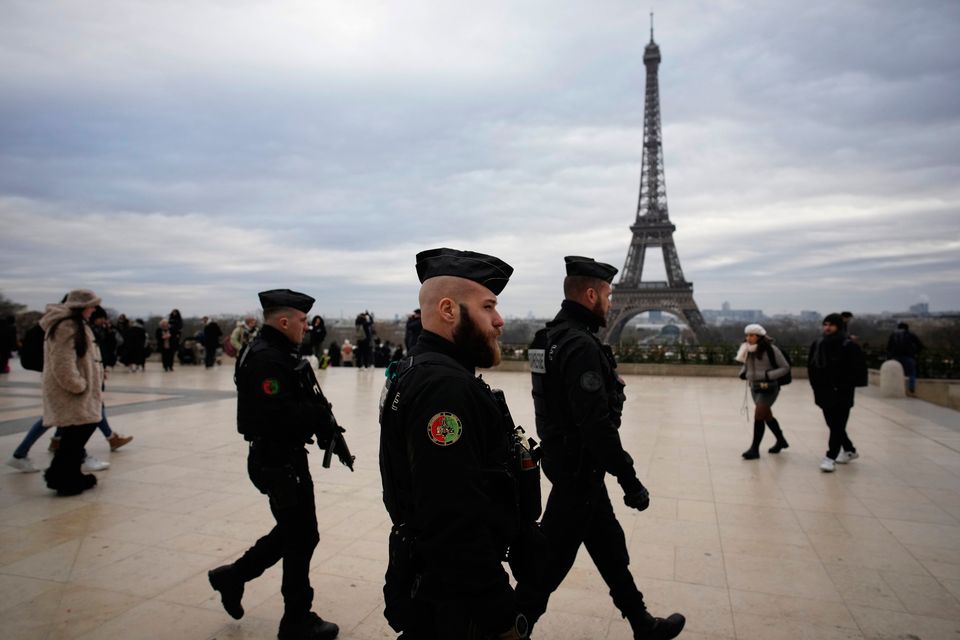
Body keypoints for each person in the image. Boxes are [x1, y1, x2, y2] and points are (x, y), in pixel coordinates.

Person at [519, 256, 685, 639]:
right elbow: (596, 426)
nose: (611, 303)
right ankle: (514, 629)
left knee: (608, 548)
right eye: (608, 295)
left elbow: (553, 403)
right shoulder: (581, 346)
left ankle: (642, 623)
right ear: (591, 294)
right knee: (549, 566)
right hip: (580, 470)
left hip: (566, 463)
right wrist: (630, 481)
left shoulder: (548, 339)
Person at [379, 248, 533, 639]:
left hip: (440, 584)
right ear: (449, 310)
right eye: (488, 307)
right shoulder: (444, 389)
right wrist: (500, 613)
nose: (499, 321)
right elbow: (452, 516)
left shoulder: (422, 371)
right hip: (457, 600)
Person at [208, 289, 341, 640]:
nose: (305, 327)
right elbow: (276, 417)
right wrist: (316, 414)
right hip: (277, 459)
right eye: (301, 321)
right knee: (301, 535)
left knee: (297, 533)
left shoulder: (276, 351)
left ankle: (233, 577)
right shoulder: (269, 358)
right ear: (284, 321)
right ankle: (296, 619)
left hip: (281, 456)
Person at [39, 289, 105, 496]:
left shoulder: (73, 324)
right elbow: (62, 362)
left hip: (77, 389)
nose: (94, 310)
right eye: (92, 305)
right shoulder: (67, 326)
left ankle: (64, 474)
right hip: (71, 391)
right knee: (78, 431)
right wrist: (78, 385)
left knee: (75, 433)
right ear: (82, 306)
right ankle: (63, 477)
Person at [808, 313, 868, 472]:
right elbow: (812, 367)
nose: (827, 328)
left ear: (838, 327)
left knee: (837, 425)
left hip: (842, 392)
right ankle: (849, 450)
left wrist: (843, 385)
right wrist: (816, 387)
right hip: (825, 391)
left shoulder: (848, 345)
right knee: (833, 424)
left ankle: (830, 457)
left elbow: (857, 370)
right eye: (825, 324)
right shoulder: (819, 343)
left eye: (831, 325)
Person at [735, 324, 790, 459]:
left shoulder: (772, 350)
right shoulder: (746, 349)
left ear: (760, 337)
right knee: (766, 415)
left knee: (759, 414)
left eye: (752, 335)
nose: (749, 338)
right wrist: (743, 373)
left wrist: (767, 375)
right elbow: (746, 365)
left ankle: (754, 449)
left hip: (769, 387)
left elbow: (785, 367)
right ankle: (781, 440)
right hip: (755, 387)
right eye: (747, 335)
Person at [887, 322, 924, 395]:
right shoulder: (910, 334)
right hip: (908, 356)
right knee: (912, 372)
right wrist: (915, 352)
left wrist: (891, 355)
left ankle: (895, 389)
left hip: (895, 357)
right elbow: (920, 345)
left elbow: (888, 347)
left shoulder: (893, 335)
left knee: (896, 373)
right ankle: (911, 388)